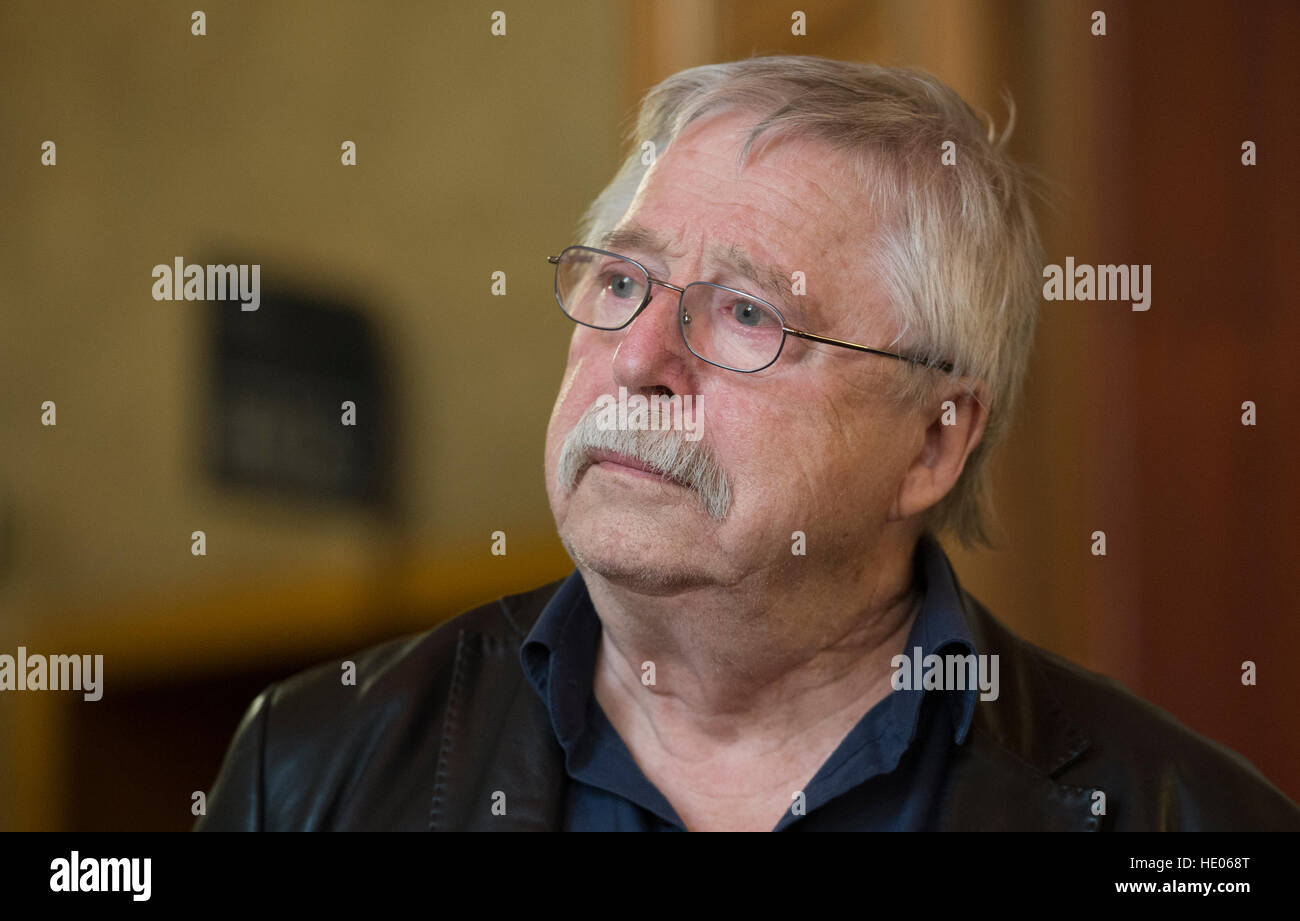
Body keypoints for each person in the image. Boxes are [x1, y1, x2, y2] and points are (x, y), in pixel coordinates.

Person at [196, 55, 1300, 831]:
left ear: (930, 443)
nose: (635, 360)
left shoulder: (1184, 822)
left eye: (746, 315)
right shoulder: (309, 767)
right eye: (621, 281)